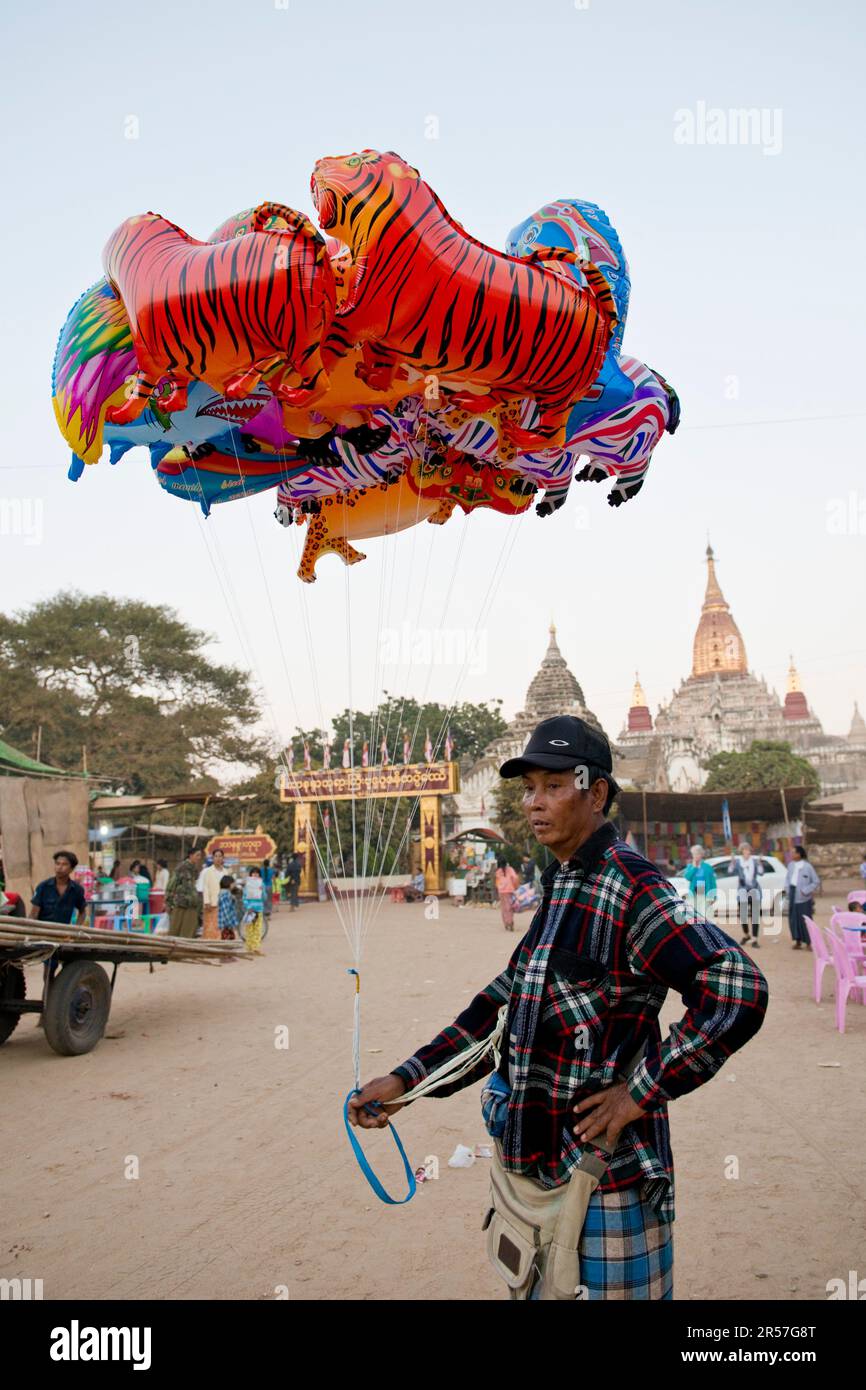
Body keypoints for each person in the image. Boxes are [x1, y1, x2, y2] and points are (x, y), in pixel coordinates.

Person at [349, 714, 768, 1301]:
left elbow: (737, 988)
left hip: (608, 1180)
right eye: (528, 789)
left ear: (595, 792)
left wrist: (639, 1091)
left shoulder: (632, 885)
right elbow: (500, 1009)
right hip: (534, 1169)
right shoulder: (560, 884)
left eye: (552, 786)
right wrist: (405, 1081)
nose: (533, 803)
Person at [31, 851, 87, 925]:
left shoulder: (77, 890)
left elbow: (82, 913)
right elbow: (34, 914)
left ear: (71, 869)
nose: (59, 867)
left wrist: (76, 930)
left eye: (64, 864)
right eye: (57, 864)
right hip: (43, 931)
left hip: (63, 933)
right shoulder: (43, 887)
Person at [786, 846, 819, 949]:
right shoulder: (790, 865)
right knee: (793, 919)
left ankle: (809, 942)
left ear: (799, 854)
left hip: (803, 897)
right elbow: (787, 879)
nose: (791, 854)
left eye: (793, 852)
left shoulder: (807, 867)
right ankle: (797, 940)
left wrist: (805, 891)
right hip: (792, 894)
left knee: (805, 919)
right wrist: (787, 890)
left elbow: (816, 881)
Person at [165, 848, 203, 939]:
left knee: (189, 930)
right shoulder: (182, 867)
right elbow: (171, 885)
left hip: (192, 904)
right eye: (197, 855)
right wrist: (168, 902)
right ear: (191, 855)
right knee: (176, 929)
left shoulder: (194, 869)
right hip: (181, 904)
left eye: (200, 855)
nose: (199, 858)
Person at [733, 840, 764, 948]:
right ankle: (746, 935)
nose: (747, 852)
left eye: (749, 850)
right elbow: (730, 871)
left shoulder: (754, 861)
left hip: (754, 889)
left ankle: (755, 939)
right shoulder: (738, 862)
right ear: (742, 851)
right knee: (743, 915)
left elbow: (761, 872)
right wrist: (732, 863)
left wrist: (760, 863)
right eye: (745, 850)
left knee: (755, 915)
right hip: (742, 890)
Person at [682, 844, 717, 920]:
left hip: (705, 893)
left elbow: (713, 882)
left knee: (706, 916)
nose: (695, 856)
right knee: (694, 916)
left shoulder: (707, 867)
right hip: (694, 894)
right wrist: (694, 867)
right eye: (694, 854)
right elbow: (687, 877)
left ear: (701, 854)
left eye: (697, 854)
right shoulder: (690, 866)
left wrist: (713, 896)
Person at [200, 850, 227, 940]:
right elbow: (205, 887)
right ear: (212, 858)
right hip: (211, 904)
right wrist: (207, 902)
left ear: (223, 858)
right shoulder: (207, 871)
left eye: (220, 856)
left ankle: (221, 948)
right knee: (210, 928)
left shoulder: (226, 872)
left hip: (223, 904)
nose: (218, 858)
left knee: (221, 928)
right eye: (216, 856)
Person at [494, 856, 521, 932]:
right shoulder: (510, 869)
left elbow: (497, 882)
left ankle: (506, 923)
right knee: (510, 907)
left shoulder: (498, 871)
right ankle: (510, 922)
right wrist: (515, 886)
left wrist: (498, 887)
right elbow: (515, 878)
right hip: (510, 890)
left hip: (501, 891)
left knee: (504, 908)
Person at [217, 874, 239, 940]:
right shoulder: (225, 895)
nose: (234, 885)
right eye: (233, 883)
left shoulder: (225, 894)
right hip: (227, 924)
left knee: (228, 941)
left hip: (226, 924)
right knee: (228, 942)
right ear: (228, 884)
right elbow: (225, 910)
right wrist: (229, 924)